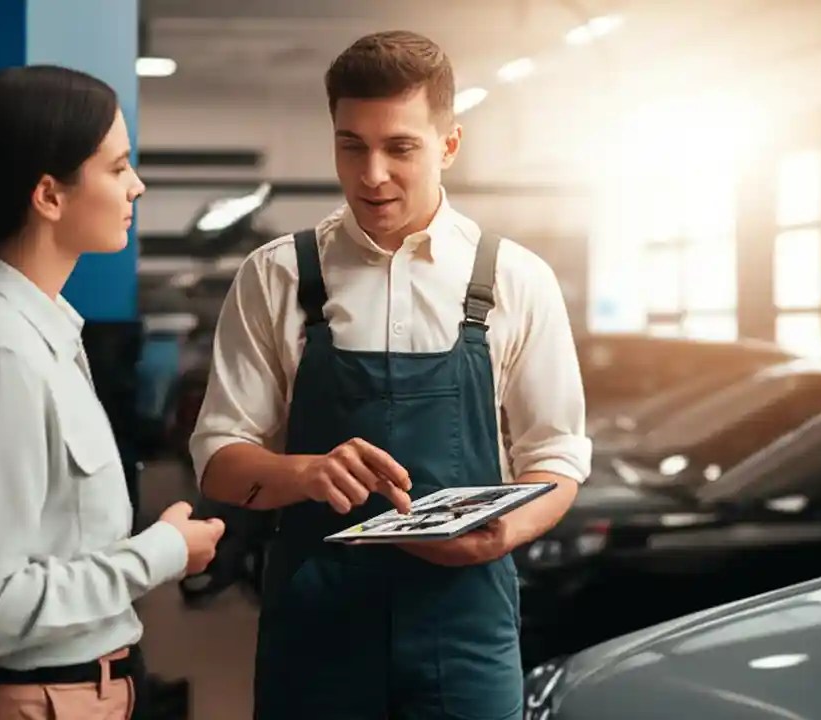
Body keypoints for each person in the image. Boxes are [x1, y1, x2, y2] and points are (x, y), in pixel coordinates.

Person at [190, 31, 592, 719]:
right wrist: (304, 474)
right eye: (352, 146)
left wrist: (506, 531)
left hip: (466, 632)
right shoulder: (276, 276)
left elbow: (556, 456)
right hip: (317, 631)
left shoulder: (515, 279)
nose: (372, 174)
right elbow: (219, 461)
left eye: (400, 148)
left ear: (449, 145)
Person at [0, 65, 225, 720]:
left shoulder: (38, 337)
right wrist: (160, 552)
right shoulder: (0, 354)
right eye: (118, 167)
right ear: (48, 195)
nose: (136, 185)